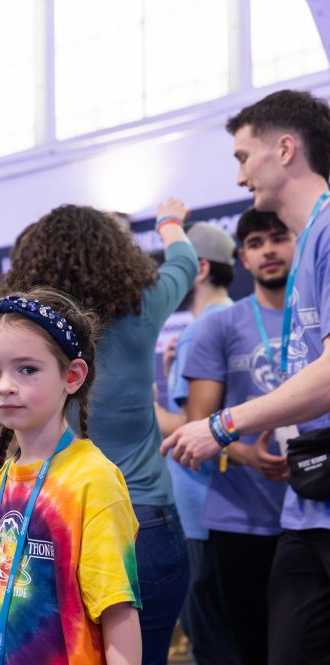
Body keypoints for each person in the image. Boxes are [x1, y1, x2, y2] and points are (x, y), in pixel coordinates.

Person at [162, 89, 330, 665]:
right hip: (304, 504)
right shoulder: (310, 244)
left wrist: (222, 426)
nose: (239, 176)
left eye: (242, 157)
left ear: (284, 150)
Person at [0, 200, 197, 665]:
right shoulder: (145, 304)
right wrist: (170, 221)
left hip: (52, 516)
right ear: (116, 252)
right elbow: (185, 261)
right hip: (143, 519)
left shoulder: (28, 327)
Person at [0, 288, 141, 665]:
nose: (5, 386)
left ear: (72, 376)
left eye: (27, 369)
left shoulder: (93, 480)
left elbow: (117, 610)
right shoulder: (1, 479)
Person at [180, 208, 294, 665]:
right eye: (255, 243)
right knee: (250, 648)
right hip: (240, 517)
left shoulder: (318, 317)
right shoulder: (220, 325)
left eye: (278, 238)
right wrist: (246, 454)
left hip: (314, 511)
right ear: (243, 258)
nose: (268, 251)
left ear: (299, 242)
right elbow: (198, 421)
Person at [155, 222, 239, 665]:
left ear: (200, 268)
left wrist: (139, 404)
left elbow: (191, 426)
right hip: (238, 503)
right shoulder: (241, 316)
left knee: (210, 638)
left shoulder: (198, 330)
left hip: (199, 502)